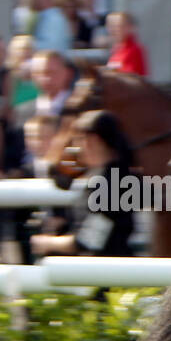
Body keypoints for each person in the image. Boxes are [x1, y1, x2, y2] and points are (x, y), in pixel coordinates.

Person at [29, 110, 135, 260]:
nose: (76, 146)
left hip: (106, 271)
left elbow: (90, 240)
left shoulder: (113, 184)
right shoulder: (105, 177)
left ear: (92, 141)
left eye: (79, 139)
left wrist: (47, 242)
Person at [105, 12, 148, 77]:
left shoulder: (134, 50)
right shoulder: (116, 49)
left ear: (129, 27)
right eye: (110, 26)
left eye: (118, 26)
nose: (113, 30)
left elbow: (130, 77)